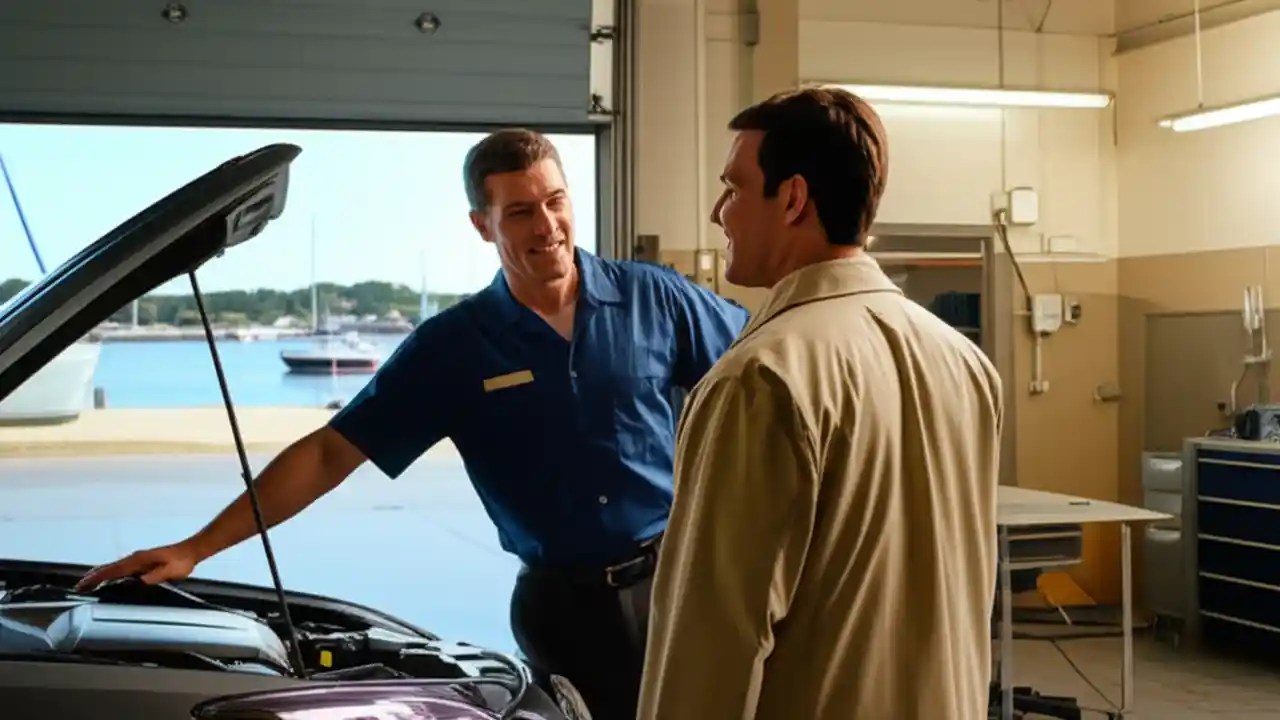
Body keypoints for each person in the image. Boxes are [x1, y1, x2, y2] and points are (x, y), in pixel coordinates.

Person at [76, 128, 750, 719]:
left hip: (676, 581)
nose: (546, 226)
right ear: (482, 225)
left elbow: (763, 364)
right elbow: (329, 453)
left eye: (555, 201)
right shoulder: (453, 348)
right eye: (519, 212)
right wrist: (198, 547)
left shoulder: (656, 298)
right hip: (562, 608)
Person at [636, 86, 1004, 720]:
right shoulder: (965, 362)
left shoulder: (761, 379)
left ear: (793, 199)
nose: (719, 213)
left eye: (734, 188)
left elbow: (713, 643)